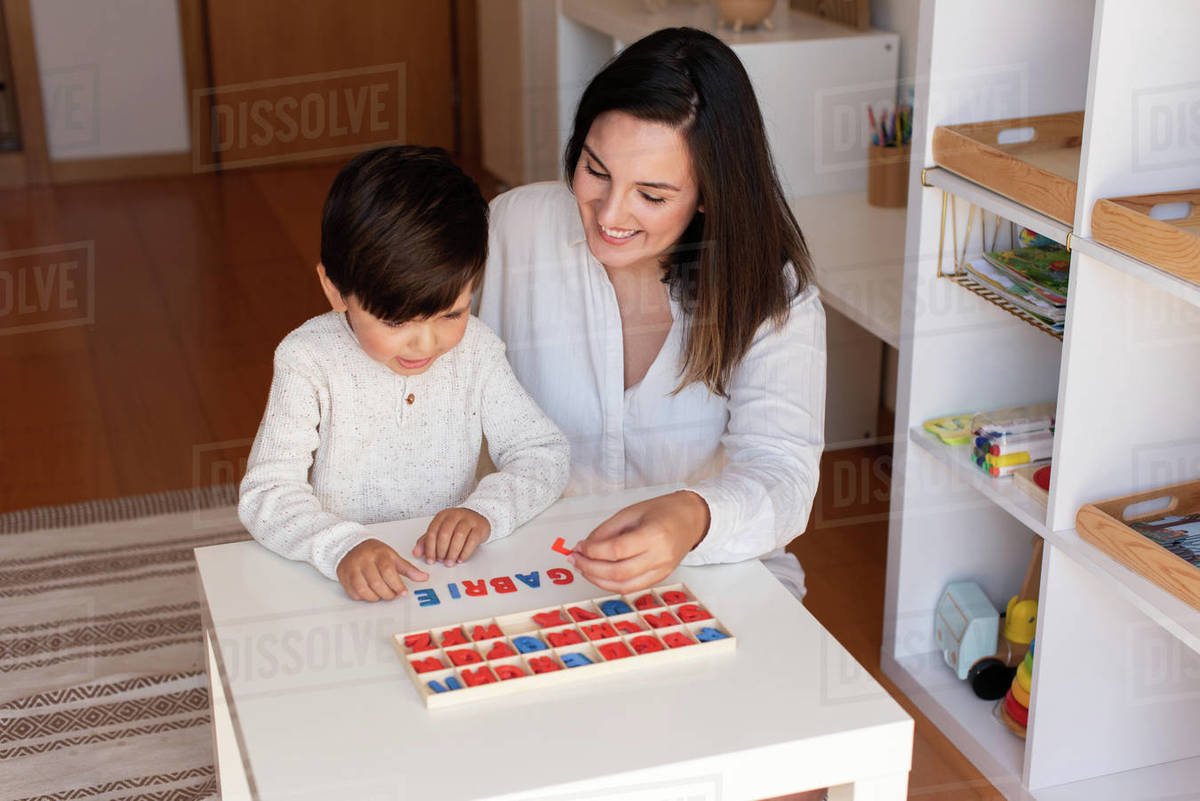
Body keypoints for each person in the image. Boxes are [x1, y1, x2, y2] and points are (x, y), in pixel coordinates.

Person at [478, 27, 826, 600]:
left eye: (652, 195)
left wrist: (692, 518)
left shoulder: (769, 293)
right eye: (596, 170)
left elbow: (783, 475)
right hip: (534, 567)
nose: (610, 214)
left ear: (709, 194)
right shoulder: (512, 228)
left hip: (713, 573)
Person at [239, 145, 570, 602]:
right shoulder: (308, 358)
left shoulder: (476, 349)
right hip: (339, 580)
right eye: (396, 322)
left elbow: (543, 453)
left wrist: (486, 511)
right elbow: (267, 493)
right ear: (335, 291)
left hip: (448, 577)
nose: (425, 344)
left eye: (451, 314)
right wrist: (341, 546)